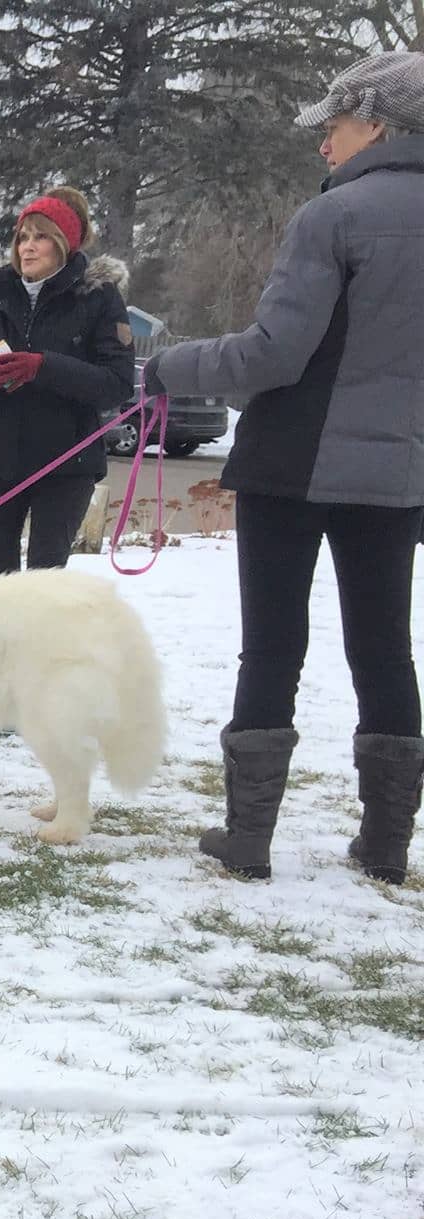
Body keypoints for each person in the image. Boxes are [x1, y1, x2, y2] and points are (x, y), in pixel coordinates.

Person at [147, 51, 424, 886]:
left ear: (377, 125)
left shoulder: (332, 217)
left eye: (334, 127)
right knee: (385, 649)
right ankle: (386, 846)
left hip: (292, 463)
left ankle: (249, 839)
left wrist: (169, 367)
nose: (324, 145)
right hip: (398, 474)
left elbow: (273, 354)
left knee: (272, 646)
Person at [0, 186, 136, 575]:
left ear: (63, 244)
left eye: (40, 237)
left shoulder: (98, 297)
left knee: (45, 582)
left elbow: (116, 384)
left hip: (65, 464)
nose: (27, 247)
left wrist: (43, 367)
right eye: (22, 237)